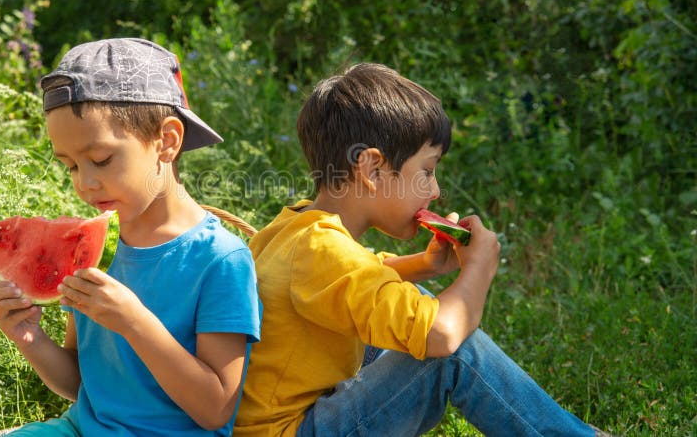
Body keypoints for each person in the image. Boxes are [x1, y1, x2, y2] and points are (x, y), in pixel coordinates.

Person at [233, 63, 598, 436]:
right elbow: (442, 336)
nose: (435, 190)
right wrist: (479, 270)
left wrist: (425, 264)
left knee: (417, 300)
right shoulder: (322, 249)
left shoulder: (294, 228)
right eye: (426, 171)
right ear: (372, 169)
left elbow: (359, 276)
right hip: (292, 431)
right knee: (448, 351)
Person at [0, 38, 261, 436]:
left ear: (166, 141)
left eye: (100, 160)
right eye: (71, 167)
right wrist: (29, 337)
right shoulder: (96, 248)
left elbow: (217, 408)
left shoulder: (221, 259)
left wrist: (134, 322)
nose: (86, 183)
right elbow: (81, 384)